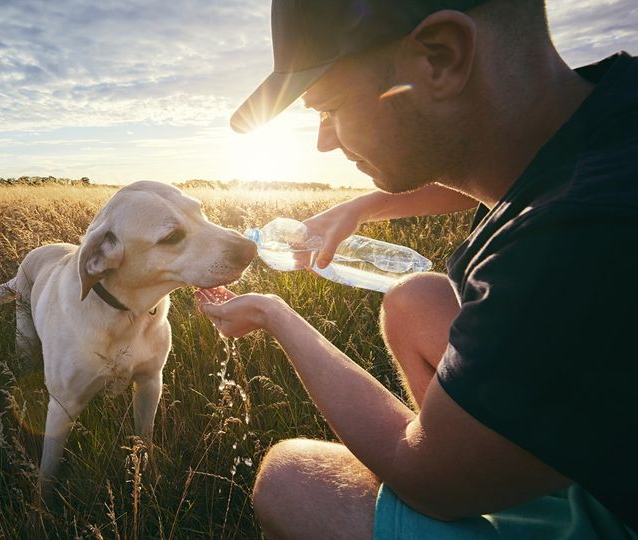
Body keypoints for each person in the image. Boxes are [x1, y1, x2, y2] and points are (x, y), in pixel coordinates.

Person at [196, 0, 638, 538]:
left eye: (328, 107)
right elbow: (496, 163)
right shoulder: (606, 113)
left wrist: (275, 315)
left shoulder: (578, 238)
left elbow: (430, 481)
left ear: (440, 57)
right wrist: (360, 207)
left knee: (289, 479)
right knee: (414, 298)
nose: (324, 140)